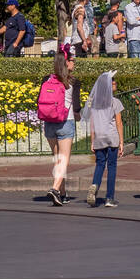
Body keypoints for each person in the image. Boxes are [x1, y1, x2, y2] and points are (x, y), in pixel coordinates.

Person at [40, 47, 83, 206]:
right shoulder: (73, 82)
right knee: (63, 160)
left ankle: (62, 193)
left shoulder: (46, 79)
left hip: (49, 122)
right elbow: (77, 108)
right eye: (73, 61)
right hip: (66, 121)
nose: (74, 63)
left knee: (58, 160)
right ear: (66, 62)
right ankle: (55, 188)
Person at [85, 71, 124, 208]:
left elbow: (92, 123)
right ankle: (109, 198)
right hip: (112, 137)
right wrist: (121, 142)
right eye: (113, 82)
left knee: (100, 164)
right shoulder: (115, 102)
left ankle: (95, 185)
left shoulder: (95, 103)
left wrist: (92, 141)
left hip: (99, 137)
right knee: (112, 166)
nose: (115, 83)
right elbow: (119, 123)